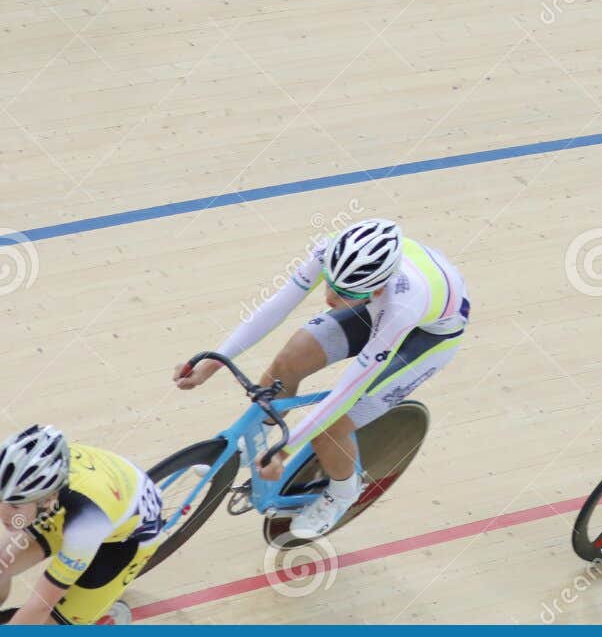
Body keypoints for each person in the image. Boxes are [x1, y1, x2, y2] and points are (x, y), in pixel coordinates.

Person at [173, 218, 468, 540]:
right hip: (374, 305)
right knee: (289, 360)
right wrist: (213, 362)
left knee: (331, 428)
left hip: (427, 337)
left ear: (377, 288)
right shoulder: (332, 249)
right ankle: (254, 442)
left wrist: (284, 451)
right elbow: (276, 307)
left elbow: (347, 391)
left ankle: (343, 492)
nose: (329, 297)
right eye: (329, 283)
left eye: (343, 293)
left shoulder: (402, 305)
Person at [0, 425, 160, 624]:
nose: (2, 513)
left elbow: (41, 605)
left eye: (15, 506)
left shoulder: (87, 524)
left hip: (125, 539)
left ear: (46, 500)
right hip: (85, 493)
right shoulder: (8, 478)